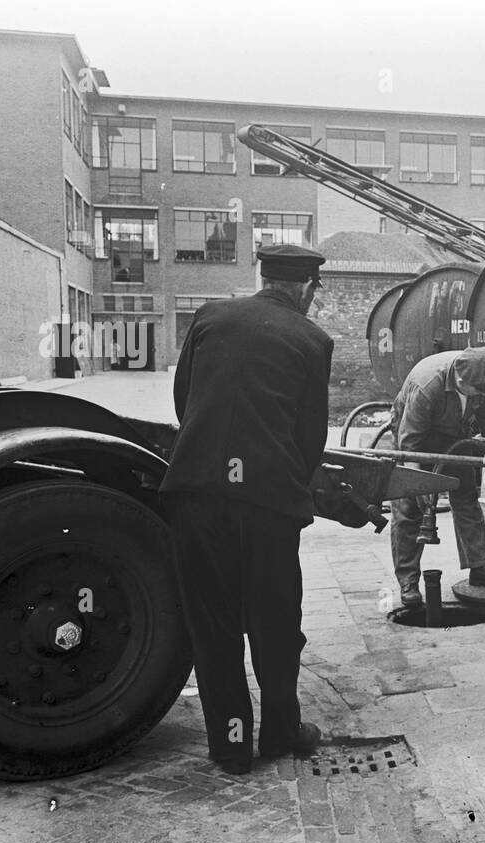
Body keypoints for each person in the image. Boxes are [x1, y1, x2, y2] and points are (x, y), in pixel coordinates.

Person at [160, 244, 332, 775]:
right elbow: (311, 436)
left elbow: (183, 399)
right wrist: (284, 480)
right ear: (306, 288)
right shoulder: (312, 339)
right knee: (276, 621)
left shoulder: (209, 316)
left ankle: (231, 747)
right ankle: (281, 734)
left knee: (212, 623)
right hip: (268, 503)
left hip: (196, 492)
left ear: (264, 276)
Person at [390, 346, 485, 607]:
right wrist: (418, 485)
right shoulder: (427, 385)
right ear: (461, 382)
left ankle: (480, 568)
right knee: (410, 508)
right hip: (415, 437)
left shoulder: (481, 382)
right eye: (480, 392)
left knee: (466, 498)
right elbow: (410, 444)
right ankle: (408, 581)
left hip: (454, 436)